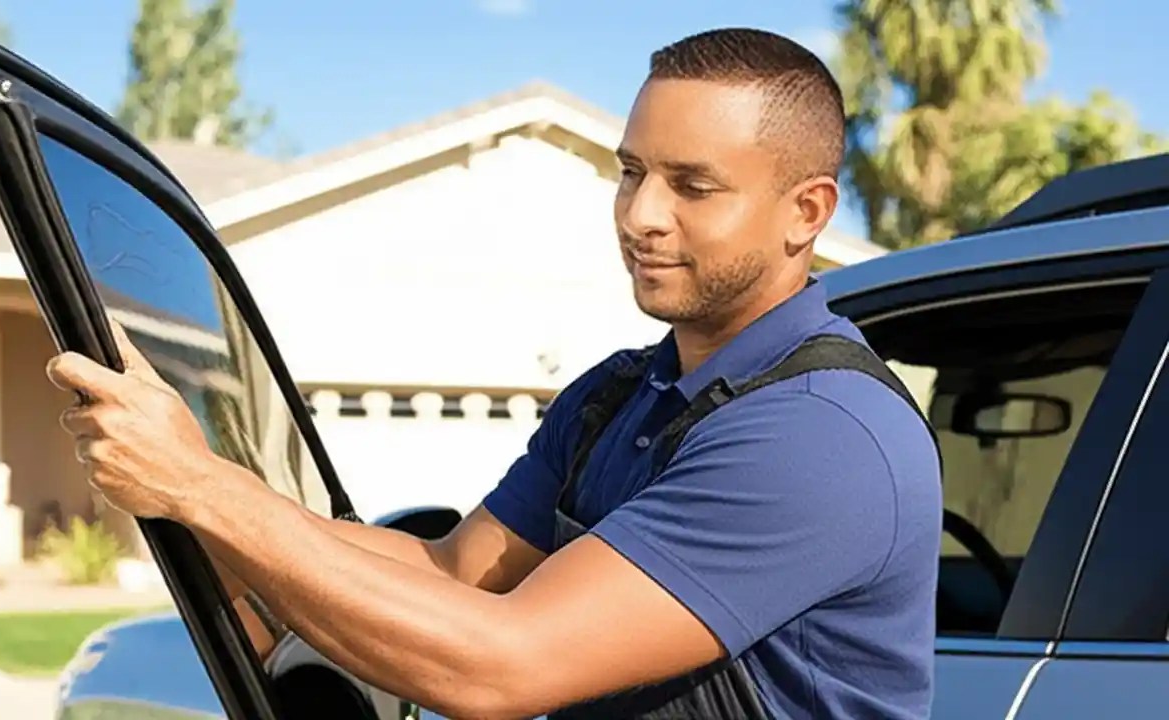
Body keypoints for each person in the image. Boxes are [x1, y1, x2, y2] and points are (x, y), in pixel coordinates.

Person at [47, 27, 942, 720]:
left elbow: (499, 664)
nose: (641, 215)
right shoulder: (618, 396)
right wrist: (201, 465)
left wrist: (200, 488)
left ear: (807, 212)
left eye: (692, 186)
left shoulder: (820, 435)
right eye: (631, 173)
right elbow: (451, 574)